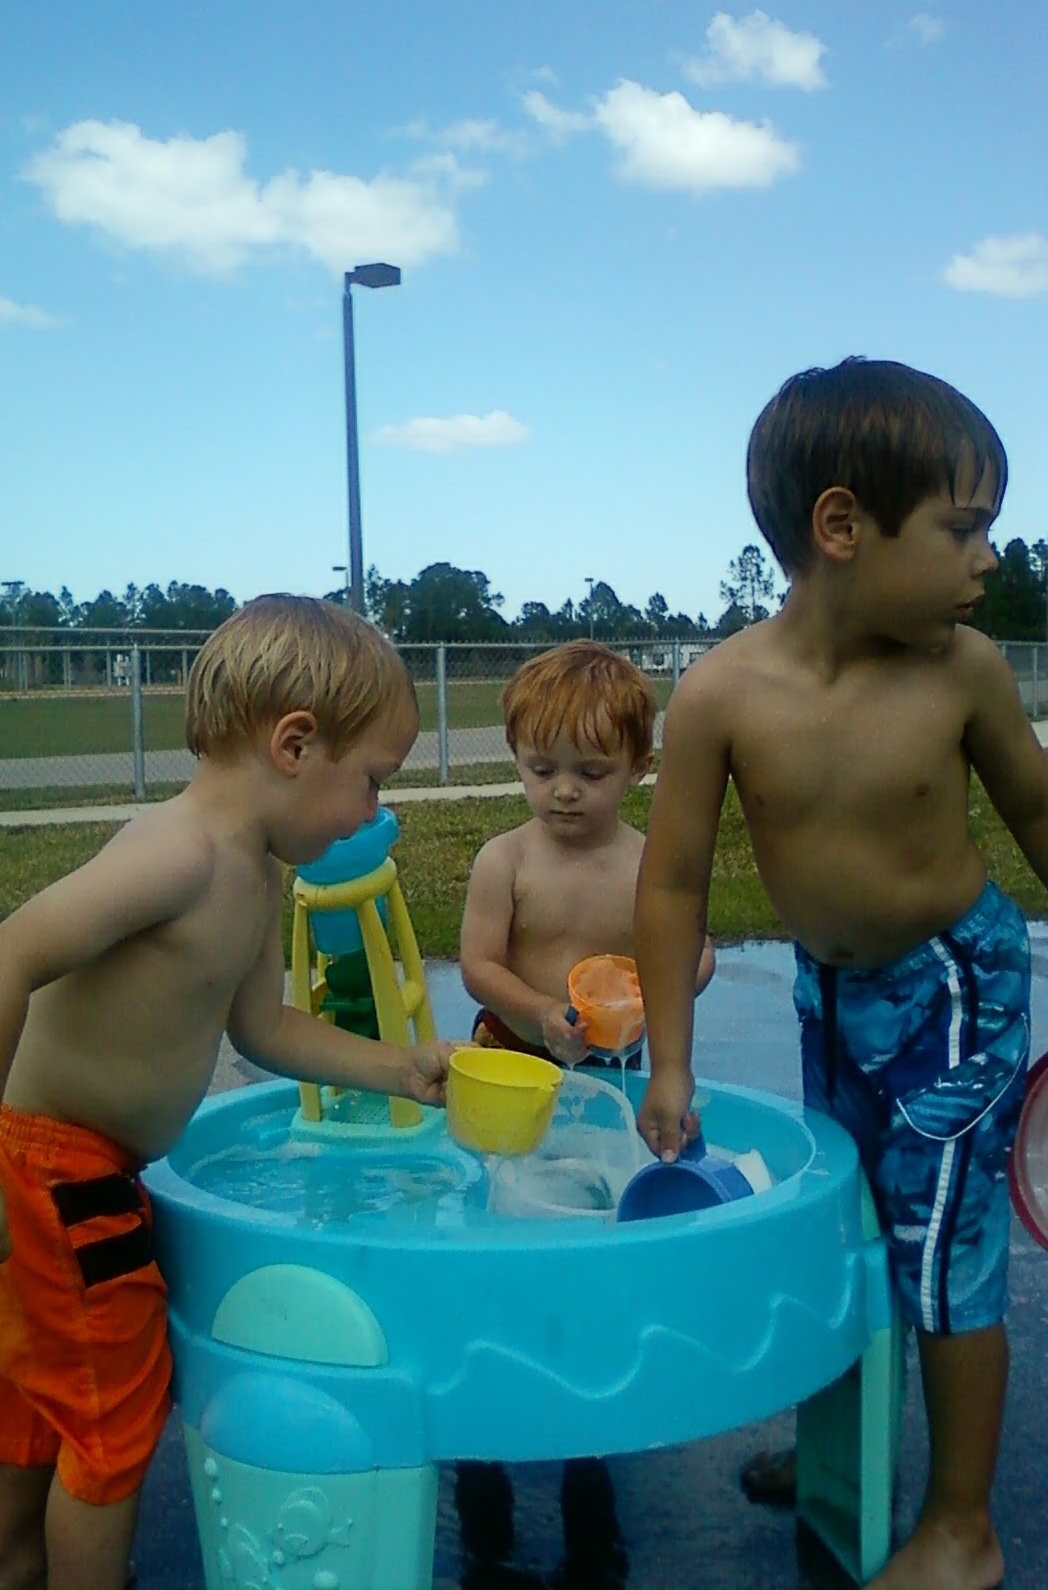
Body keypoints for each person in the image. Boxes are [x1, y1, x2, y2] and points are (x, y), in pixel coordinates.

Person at [0, 595, 453, 1590]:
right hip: (47, 1170)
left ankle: (12, 1568)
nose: (375, 811)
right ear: (295, 744)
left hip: (80, 1167)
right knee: (111, 1406)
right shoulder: (181, 854)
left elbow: (264, 1027)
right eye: (372, 780)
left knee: (54, 1393)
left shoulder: (254, 870)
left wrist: (397, 1069)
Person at [634, 357, 1048, 1590]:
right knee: (846, 1227)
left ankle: (962, 1526)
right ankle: (848, 1447)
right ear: (841, 527)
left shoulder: (962, 669)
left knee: (946, 1253)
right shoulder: (720, 692)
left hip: (955, 994)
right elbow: (670, 885)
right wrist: (670, 1057)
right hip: (829, 992)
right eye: (964, 528)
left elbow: (1037, 809)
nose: (988, 558)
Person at [457, 640, 715, 1590]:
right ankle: (480, 1443)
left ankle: (584, 1455)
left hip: (611, 1073)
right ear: (517, 760)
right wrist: (536, 1014)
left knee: (596, 1239)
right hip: (514, 1065)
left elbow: (694, 952)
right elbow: (478, 960)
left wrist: (658, 995)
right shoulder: (505, 858)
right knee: (498, 1241)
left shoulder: (651, 864)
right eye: (541, 769)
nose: (563, 792)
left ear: (638, 768)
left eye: (591, 773)